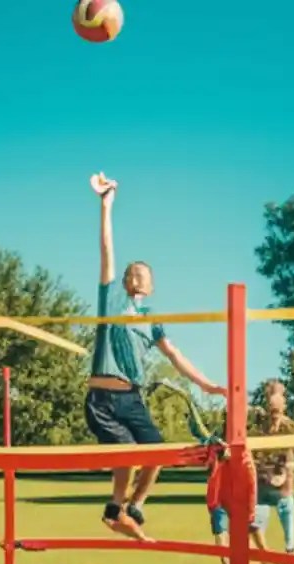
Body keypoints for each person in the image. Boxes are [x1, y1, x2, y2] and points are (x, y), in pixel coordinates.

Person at [84, 172, 226, 541]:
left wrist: (207, 385)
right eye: (135, 272)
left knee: (158, 453)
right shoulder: (111, 301)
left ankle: (130, 508)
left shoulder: (152, 320)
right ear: (128, 282)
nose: (139, 275)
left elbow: (175, 355)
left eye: (145, 272)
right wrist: (106, 206)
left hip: (132, 396)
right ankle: (115, 512)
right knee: (128, 453)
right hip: (103, 397)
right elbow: (107, 251)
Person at [210, 380, 294, 564]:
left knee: (288, 528)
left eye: (277, 409)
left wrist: (285, 473)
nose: (274, 413)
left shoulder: (289, 427)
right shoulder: (258, 424)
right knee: (252, 526)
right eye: (271, 408)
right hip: (261, 484)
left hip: (283, 487)